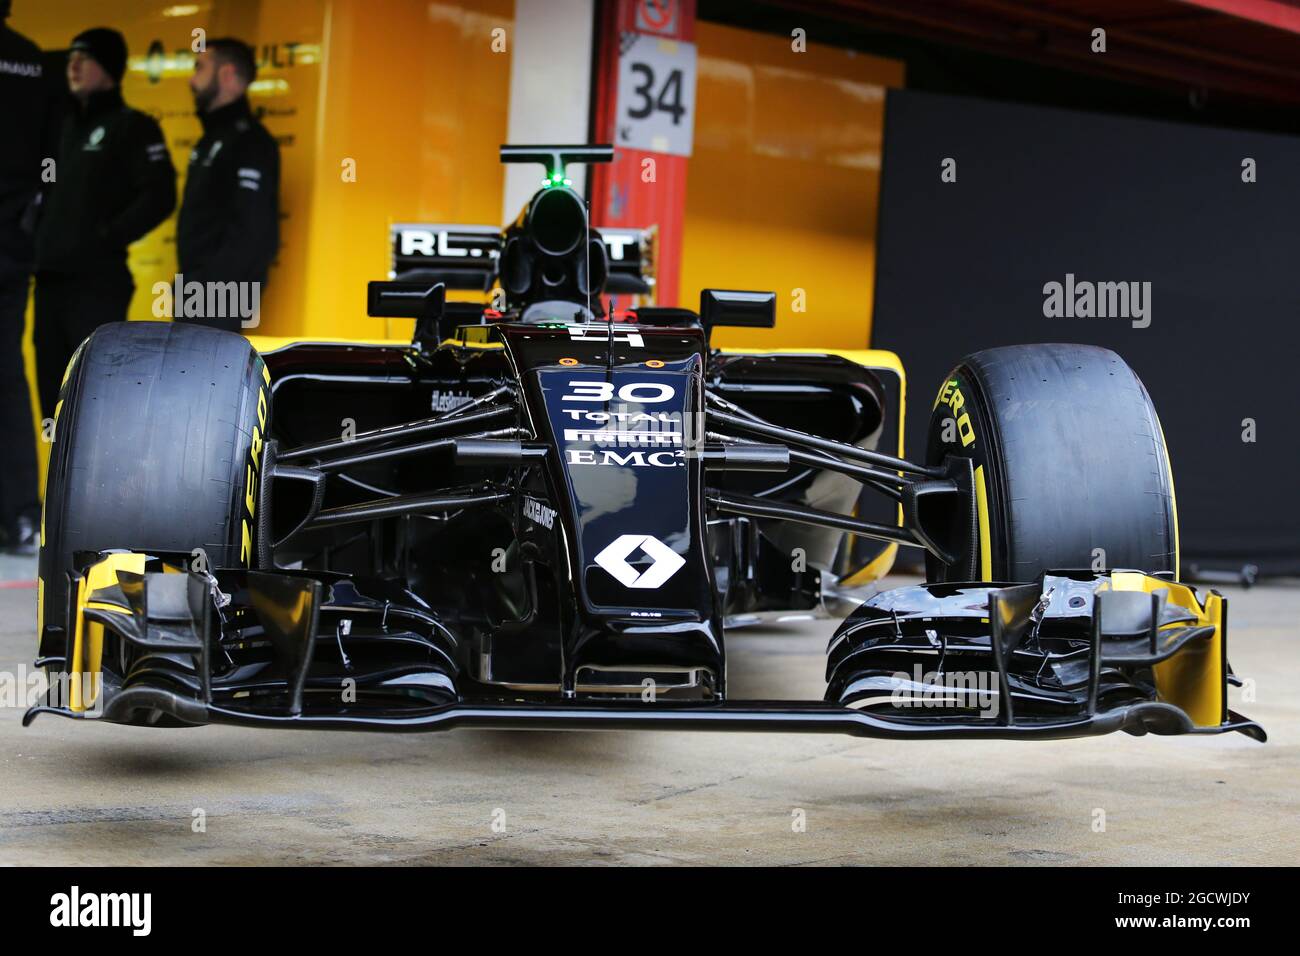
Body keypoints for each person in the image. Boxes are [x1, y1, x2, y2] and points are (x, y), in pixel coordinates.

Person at [33, 27, 175, 419]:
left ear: (110, 69)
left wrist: (104, 239)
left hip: (96, 285)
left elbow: (160, 196)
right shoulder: (59, 127)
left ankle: (100, 482)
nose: (74, 65)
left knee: (94, 401)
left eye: (86, 57)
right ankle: (54, 482)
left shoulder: (131, 126)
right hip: (48, 283)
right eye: (71, 57)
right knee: (54, 407)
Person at [176, 37, 279, 331]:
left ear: (228, 76)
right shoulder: (210, 138)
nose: (191, 80)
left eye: (199, 68)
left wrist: (209, 287)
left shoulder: (251, 142)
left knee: (205, 375)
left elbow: (253, 232)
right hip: (197, 291)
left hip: (220, 296)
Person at [0, 0, 54, 554]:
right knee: (8, 376)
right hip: (13, 245)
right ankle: (18, 516)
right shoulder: (33, 62)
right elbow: (51, 160)